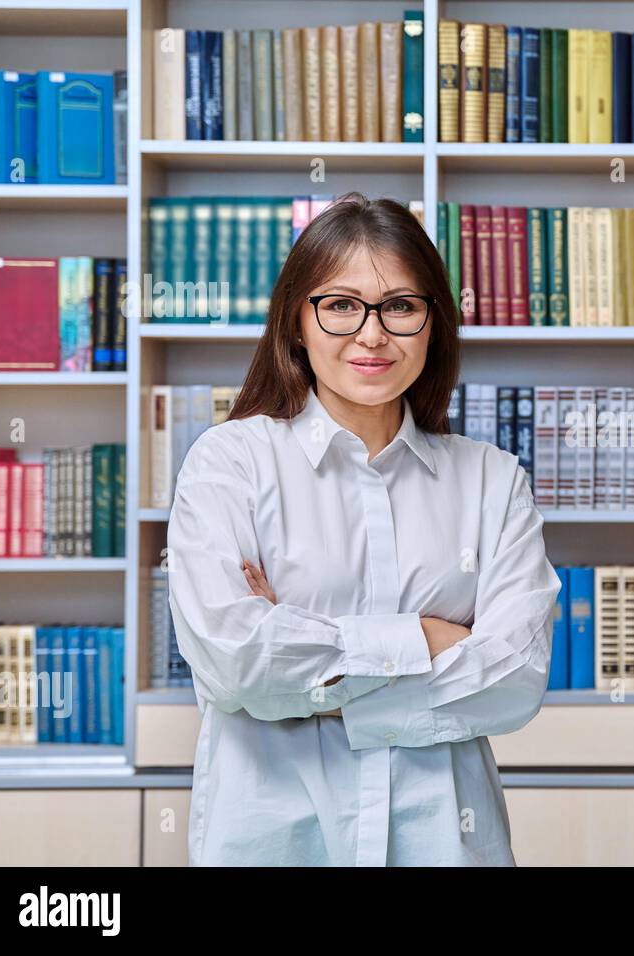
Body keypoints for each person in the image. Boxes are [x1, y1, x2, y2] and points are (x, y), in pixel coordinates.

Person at [166, 192, 560, 866]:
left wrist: (308, 676)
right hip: (274, 845)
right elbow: (236, 661)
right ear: (297, 322)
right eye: (341, 305)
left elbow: (515, 679)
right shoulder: (230, 462)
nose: (372, 334)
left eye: (400, 307)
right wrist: (428, 640)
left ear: (433, 324)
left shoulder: (493, 481)